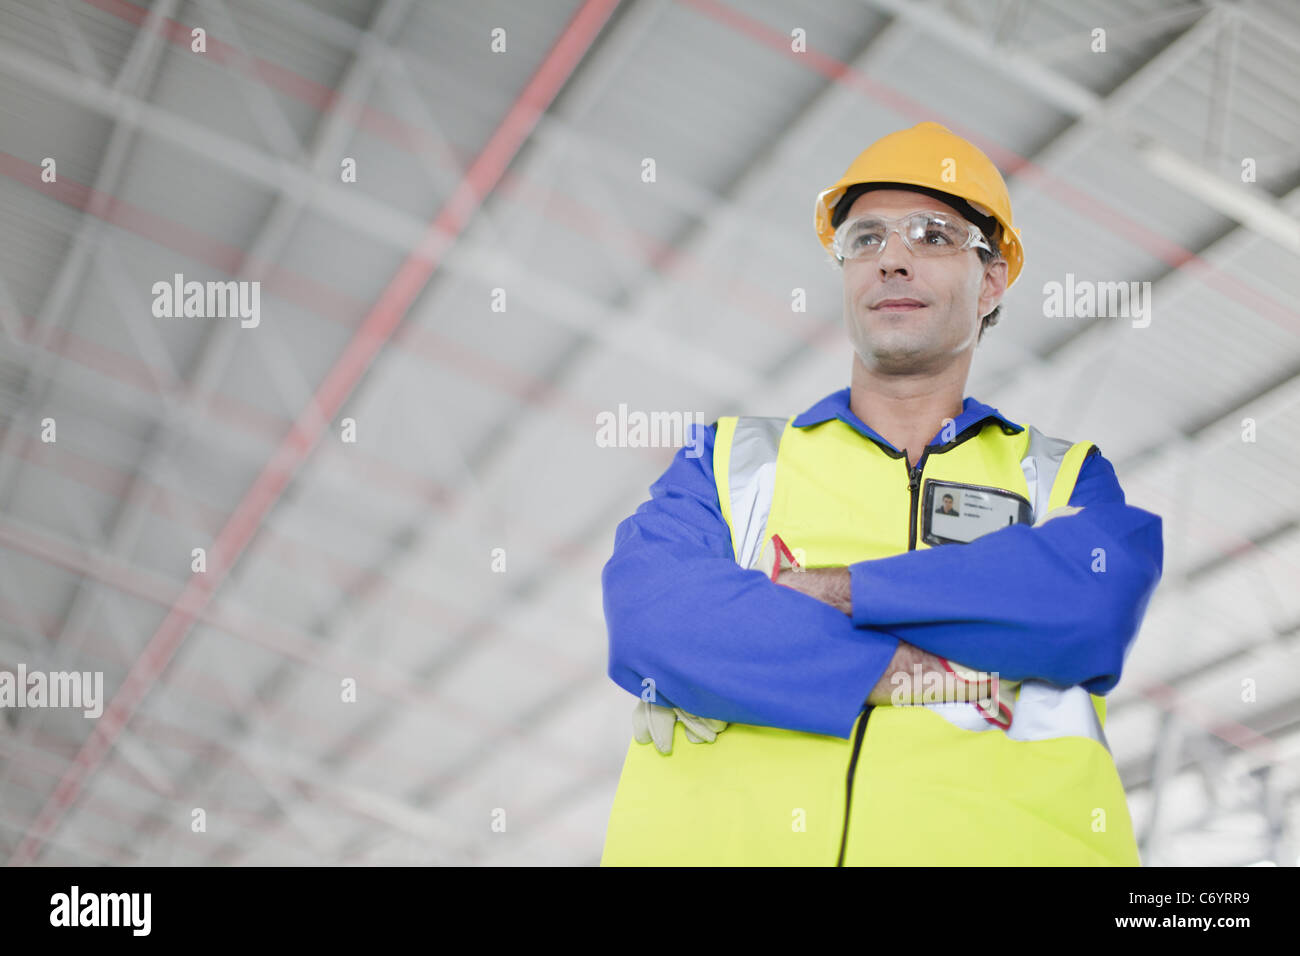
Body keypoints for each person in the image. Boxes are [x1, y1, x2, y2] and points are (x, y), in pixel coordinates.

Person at [599, 122, 1164, 866]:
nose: (891, 259)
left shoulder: (1060, 477)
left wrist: (833, 593)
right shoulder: (730, 462)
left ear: (991, 280)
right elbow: (656, 620)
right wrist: (902, 672)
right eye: (865, 239)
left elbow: (1086, 608)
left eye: (932, 236)